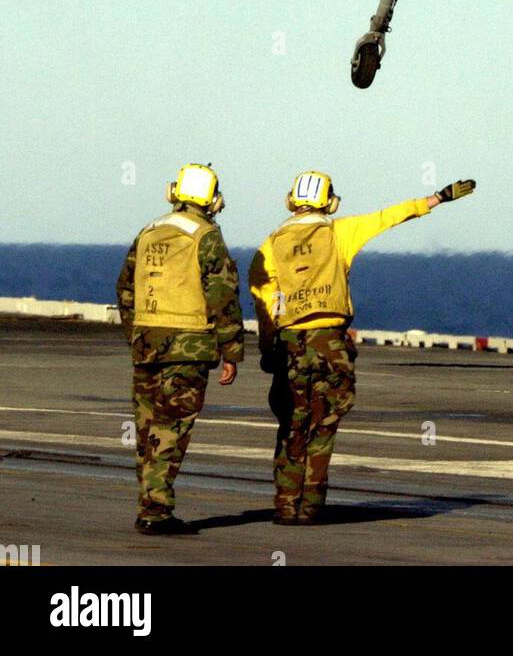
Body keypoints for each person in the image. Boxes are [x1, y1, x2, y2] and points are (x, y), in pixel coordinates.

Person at [249, 170, 475, 525]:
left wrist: (267, 347)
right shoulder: (339, 232)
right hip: (330, 344)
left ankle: (285, 504)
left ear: (291, 201)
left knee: (291, 424)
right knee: (323, 424)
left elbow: (264, 299)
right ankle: (309, 508)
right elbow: (388, 218)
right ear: (330, 202)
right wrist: (438, 198)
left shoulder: (270, 244)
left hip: (290, 343)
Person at [116, 162, 244, 535]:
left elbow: (125, 289)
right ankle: (156, 511)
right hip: (188, 350)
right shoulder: (207, 236)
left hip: (147, 345)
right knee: (171, 427)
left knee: (147, 429)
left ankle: (149, 504)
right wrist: (231, 350)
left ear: (174, 192)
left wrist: (136, 335)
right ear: (213, 200)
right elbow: (223, 296)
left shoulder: (148, 231)